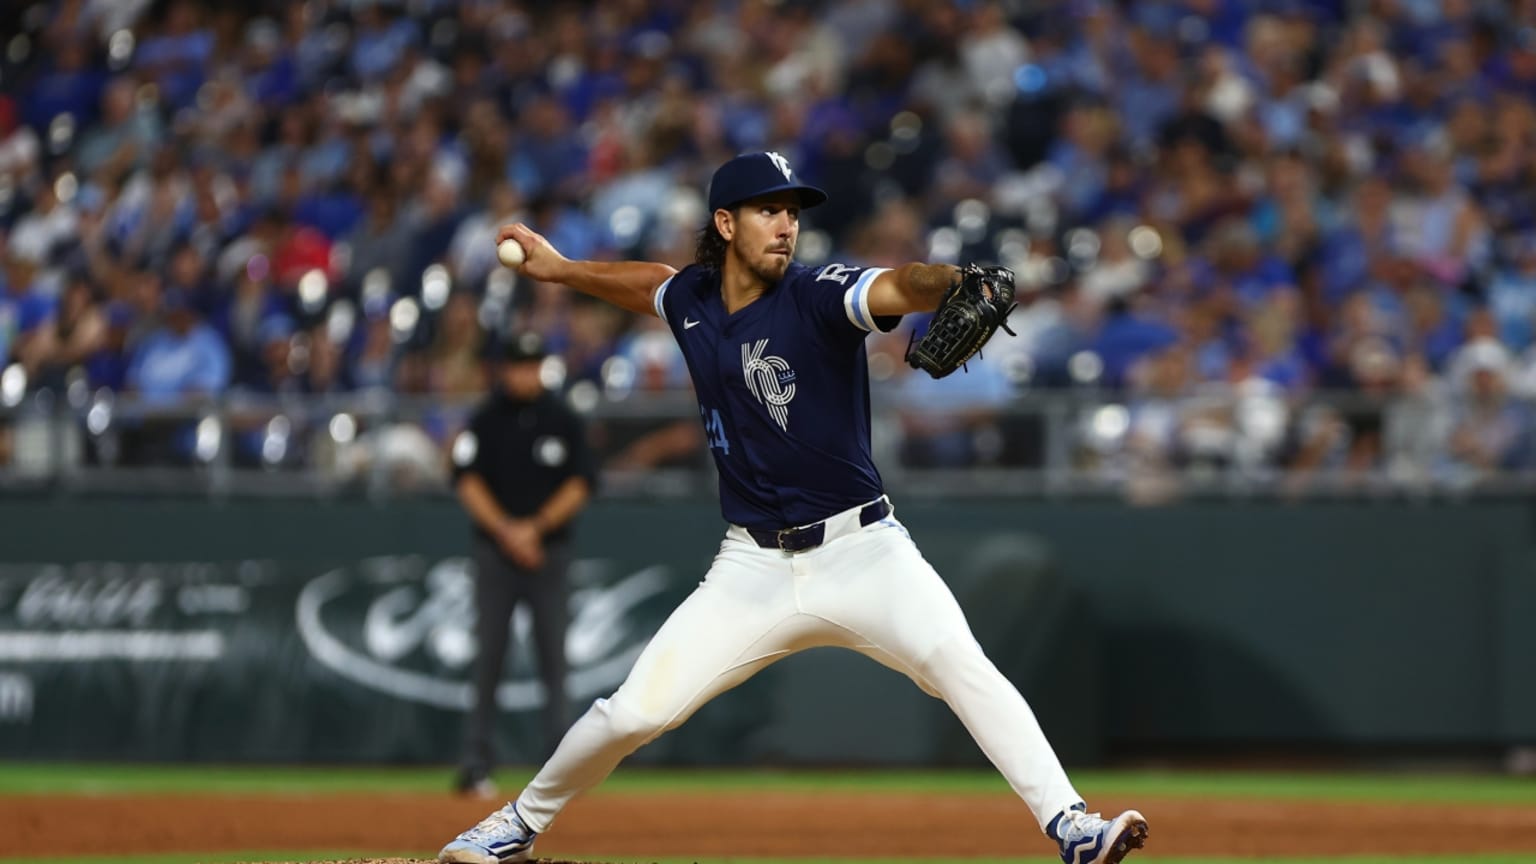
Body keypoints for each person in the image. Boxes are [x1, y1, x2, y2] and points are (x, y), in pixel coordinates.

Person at [439, 152, 1148, 864]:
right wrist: (561, 269)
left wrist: (955, 282)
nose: (786, 225)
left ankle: (1072, 826)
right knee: (634, 711)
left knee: (960, 665)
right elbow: (651, 287)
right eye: (767, 210)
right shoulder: (694, 299)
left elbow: (900, 283)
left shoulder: (816, 294)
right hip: (751, 567)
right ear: (725, 222)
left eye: (792, 212)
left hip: (865, 551)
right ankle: (515, 825)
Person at [449, 331, 596, 797]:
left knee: (554, 662)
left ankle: (561, 769)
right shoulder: (486, 418)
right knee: (488, 659)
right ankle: (475, 765)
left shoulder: (563, 418)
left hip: (547, 553)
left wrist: (533, 528)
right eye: (517, 365)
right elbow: (466, 481)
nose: (524, 373)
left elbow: (582, 483)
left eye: (532, 365)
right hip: (496, 554)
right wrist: (509, 533)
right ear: (504, 369)